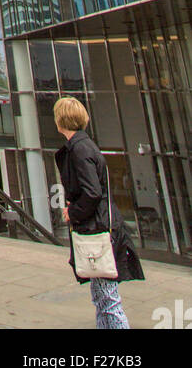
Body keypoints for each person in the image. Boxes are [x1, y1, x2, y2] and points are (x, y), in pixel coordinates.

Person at [54, 96, 144, 330]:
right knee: (102, 297)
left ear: (60, 119)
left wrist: (72, 212)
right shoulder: (83, 146)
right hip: (100, 227)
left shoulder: (79, 150)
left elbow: (92, 193)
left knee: (108, 300)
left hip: (98, 231)